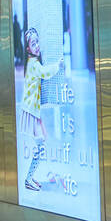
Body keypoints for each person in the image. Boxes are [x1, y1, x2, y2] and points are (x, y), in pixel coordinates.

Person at [19, 27, 65, 192]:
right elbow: (45, 73)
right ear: (28, 49)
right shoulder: (33, 64)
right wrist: (58, 65)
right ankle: (28, 179)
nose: (37, 45)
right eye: (33, 43)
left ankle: (30, 178)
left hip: (32, 111)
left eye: (37, 41)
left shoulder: (31, 63)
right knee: (40, 146)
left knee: (41, 145)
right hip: (31, 112)